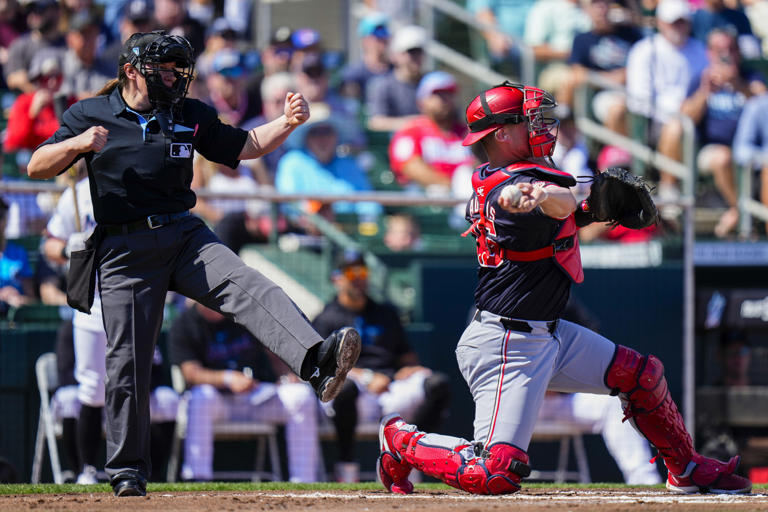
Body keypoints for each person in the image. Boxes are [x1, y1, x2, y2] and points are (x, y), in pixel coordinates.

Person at [376, 81, 753, 496]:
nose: (542, 126)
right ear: (501, 133)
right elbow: (544, 202)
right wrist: (557, 200)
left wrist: (588, 206)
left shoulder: (533, 176)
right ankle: (402, 441)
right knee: (496, 472)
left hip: (548, 331)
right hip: (507, 343)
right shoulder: (505, 188)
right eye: (528, 120)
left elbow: (560, 205)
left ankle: (687, 469)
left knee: (642, 376)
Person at [26, 31, 361, 497]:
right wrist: (77, 144)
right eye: (164, 70)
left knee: (248, 285)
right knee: (127, 361)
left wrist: (286, 122)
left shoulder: (187, 113)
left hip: (183, 234)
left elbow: (243, 145)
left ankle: (316, 362)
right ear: (131, 72)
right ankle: (126, 471)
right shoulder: (91, 113)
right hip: (123, 250)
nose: (174, 78)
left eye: (178, 70)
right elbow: (37, 165)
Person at [312, 252, 450, 482]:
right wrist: (366, 377)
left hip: (389, 386)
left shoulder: (385, 313)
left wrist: (410, 368)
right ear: (337, 278)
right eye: (350, 272)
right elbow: (322, 366)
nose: (358, 278)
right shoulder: (326, 317)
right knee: (344, 389)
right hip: (354, 391)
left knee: (437, 385)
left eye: (362, 272)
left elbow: (405, 354)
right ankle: (346, 468)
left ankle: (408, 460)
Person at [168, 301, 320, 482]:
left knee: (301, 396)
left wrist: (286, 375)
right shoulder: (184, 324)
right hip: (218, 402)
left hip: (255, 397)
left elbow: (273, 352)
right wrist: (227, 378)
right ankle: (197, 477)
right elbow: (190, 373)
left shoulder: (242, 315)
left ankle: (304, 480)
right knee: (200, 397)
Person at [388, 71, 477, 192]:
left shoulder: (468, 132)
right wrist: (453, 186)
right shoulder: (410, 131)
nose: (445, 99)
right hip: (425, 196)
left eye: (449, 94)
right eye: (438, 95)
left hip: (466, 194)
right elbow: (410, 166)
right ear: (421, 101)